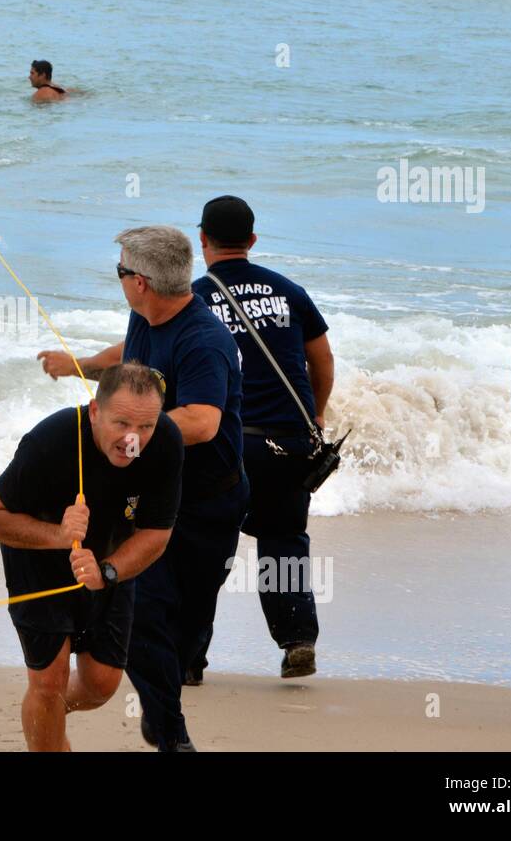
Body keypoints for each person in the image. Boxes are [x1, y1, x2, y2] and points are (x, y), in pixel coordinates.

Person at [37, 226, 244, 751]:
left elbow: (201, 421)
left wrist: (128, 432)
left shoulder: (205, 341)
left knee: (189, 625)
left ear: (143, 282)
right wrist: (79, 365)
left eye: (121, 272)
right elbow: (133, 355)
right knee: (148, 616)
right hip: (147, 502)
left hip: (209, 502)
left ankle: (168, 694)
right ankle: (171, 734)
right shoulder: (145, 315)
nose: (120, 281)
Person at [0, 362, 184, 751]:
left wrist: (107, 572)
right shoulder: (50, 441)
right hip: (37, 560)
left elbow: (156, 534)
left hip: (108, 558)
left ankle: (44, 710)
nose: (133, 439)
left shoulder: (166, 443)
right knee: (49, 681)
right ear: (95, 411)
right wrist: (58, 535)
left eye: (145, 427)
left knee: (101, 685)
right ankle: (44, 705)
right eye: (121, 423)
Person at [191, 195, 335, 681]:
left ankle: (188, 658)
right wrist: (311, 419)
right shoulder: (289, 290)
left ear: (202, 238)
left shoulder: (195, 299)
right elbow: (323, 362)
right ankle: (298, 641)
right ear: (252, 241)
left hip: (227, 442)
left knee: (206, 546)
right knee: (284, 541)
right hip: (289, 441)